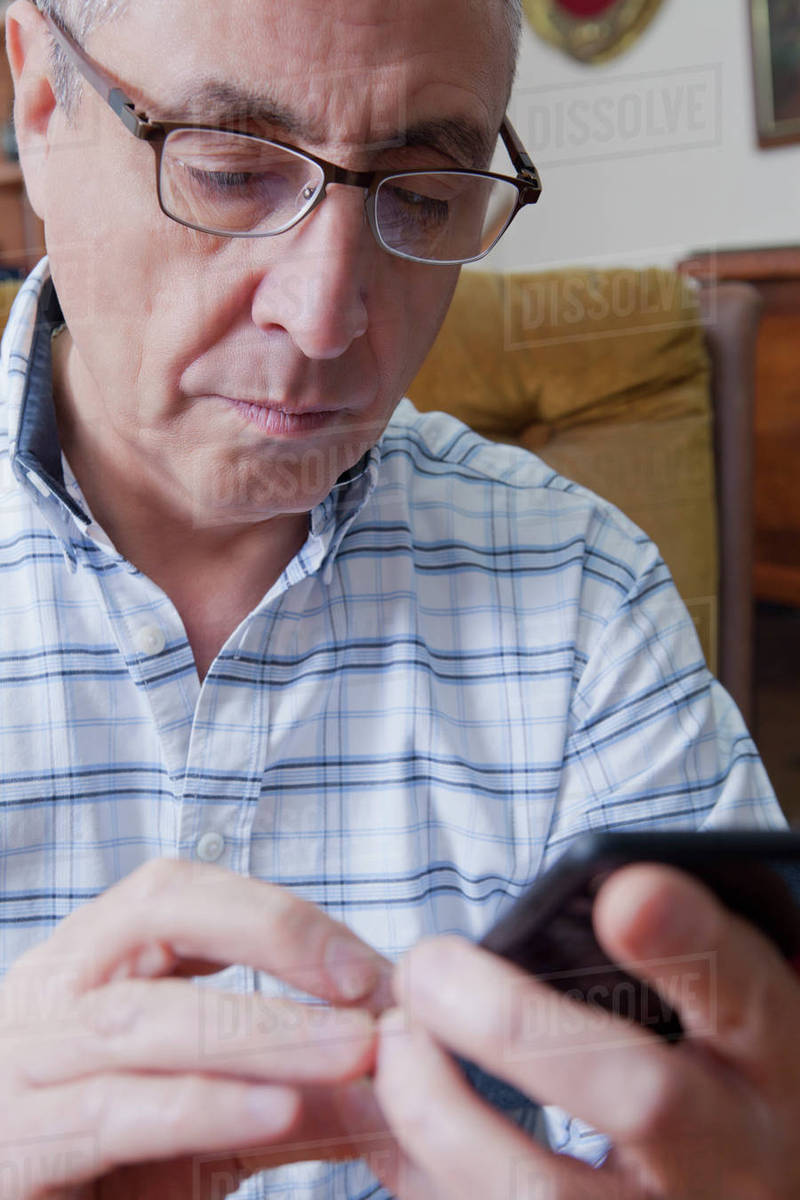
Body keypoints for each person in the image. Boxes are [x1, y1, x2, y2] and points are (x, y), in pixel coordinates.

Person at [0, 0, 794, 1196]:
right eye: (228, 172)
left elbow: (727, 1094)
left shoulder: (583, 595)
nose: (324, 318)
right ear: (38, 99)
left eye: (422, 196)